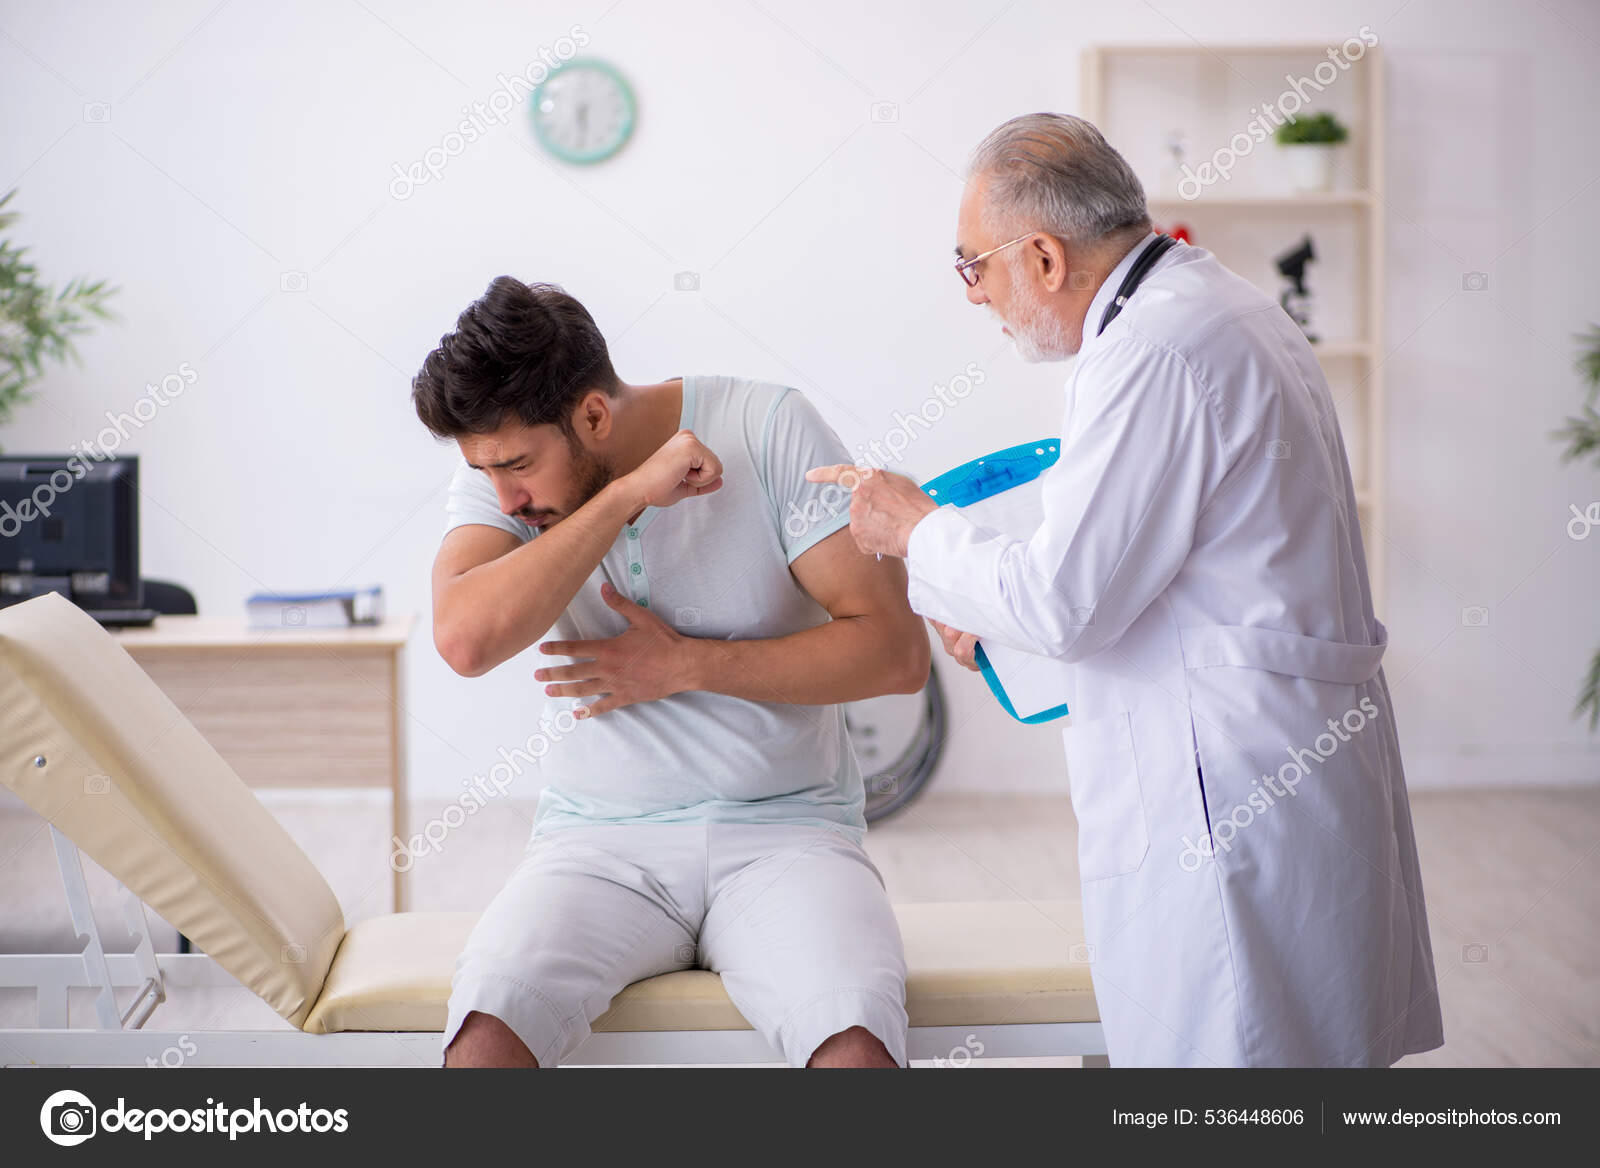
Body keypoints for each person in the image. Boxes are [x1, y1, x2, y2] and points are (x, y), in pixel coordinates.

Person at [809, 113, 1443, 1067]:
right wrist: (992, 619)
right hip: (1269, 756)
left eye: (972, 267)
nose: (975, 296)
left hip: (1229, 786)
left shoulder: (1151, 351)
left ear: (1044, 257)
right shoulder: (1216, 307)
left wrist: (912, 528)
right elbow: (1167, 573)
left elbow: (1067, 601)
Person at [414, 276, 928, 1067]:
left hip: (786, 835)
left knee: (856, 1050)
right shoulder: (502, 478)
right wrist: (623, 495)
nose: (505, 496)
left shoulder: (769, 427)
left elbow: (895, 654)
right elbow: (465, 641)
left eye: (516, 465)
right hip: (597, 845)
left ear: (591, 414)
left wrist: (685, 665)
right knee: (482, 1042)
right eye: (486, 471)